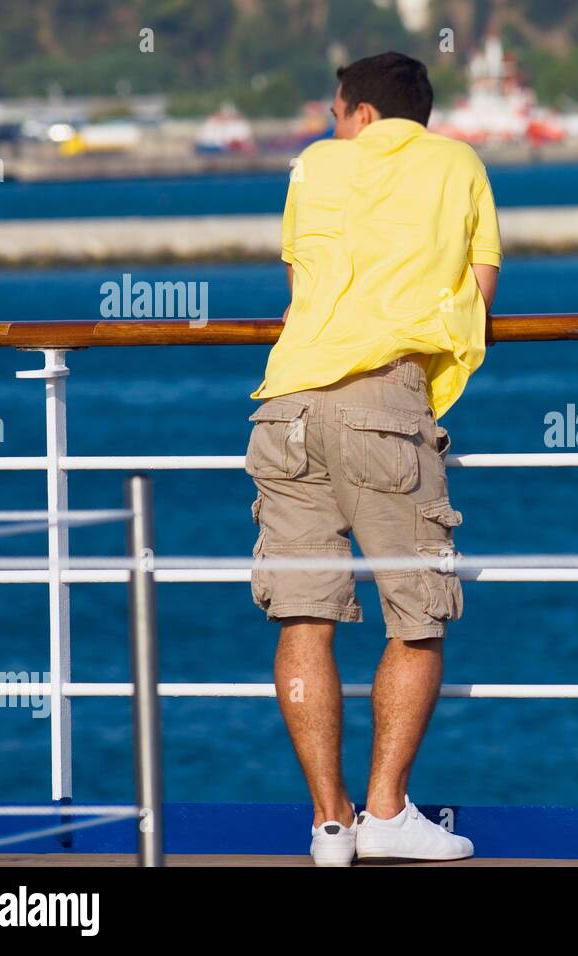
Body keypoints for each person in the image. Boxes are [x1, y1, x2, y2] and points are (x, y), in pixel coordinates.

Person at [244, 51, 500, 866]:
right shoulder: (460, 163)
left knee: (302, 618)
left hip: (286, 405)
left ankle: (329, 826)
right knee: (417, 613)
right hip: (385, 405)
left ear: (356, 112)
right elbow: (482, 286)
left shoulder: (314, 166)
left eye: (333, 111)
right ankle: (385, 811)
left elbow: (298, 285)